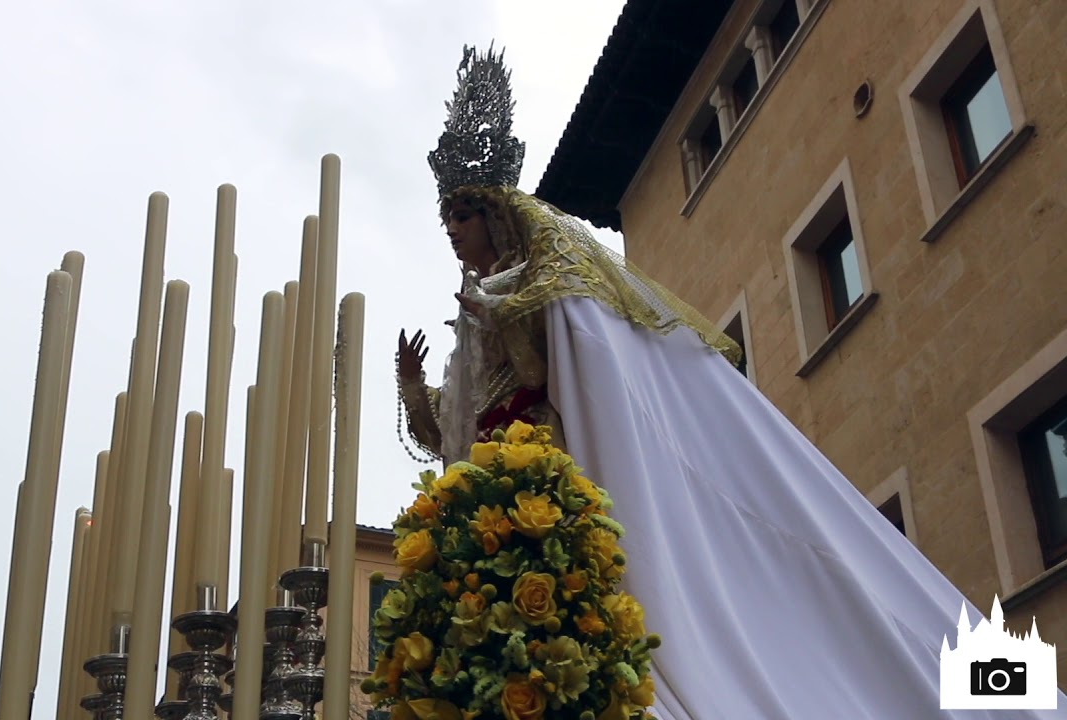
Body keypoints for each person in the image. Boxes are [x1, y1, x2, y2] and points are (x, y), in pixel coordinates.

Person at [394, 45, 1064, 719]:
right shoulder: (473, 317)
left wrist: (506, 311)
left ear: (494, 214)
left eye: (462, 215)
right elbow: (454, 423)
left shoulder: (540, 277)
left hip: (553, 466)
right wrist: (415, 384)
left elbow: (549, 364)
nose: (452, 231)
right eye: (446, 219)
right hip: (497, 498)